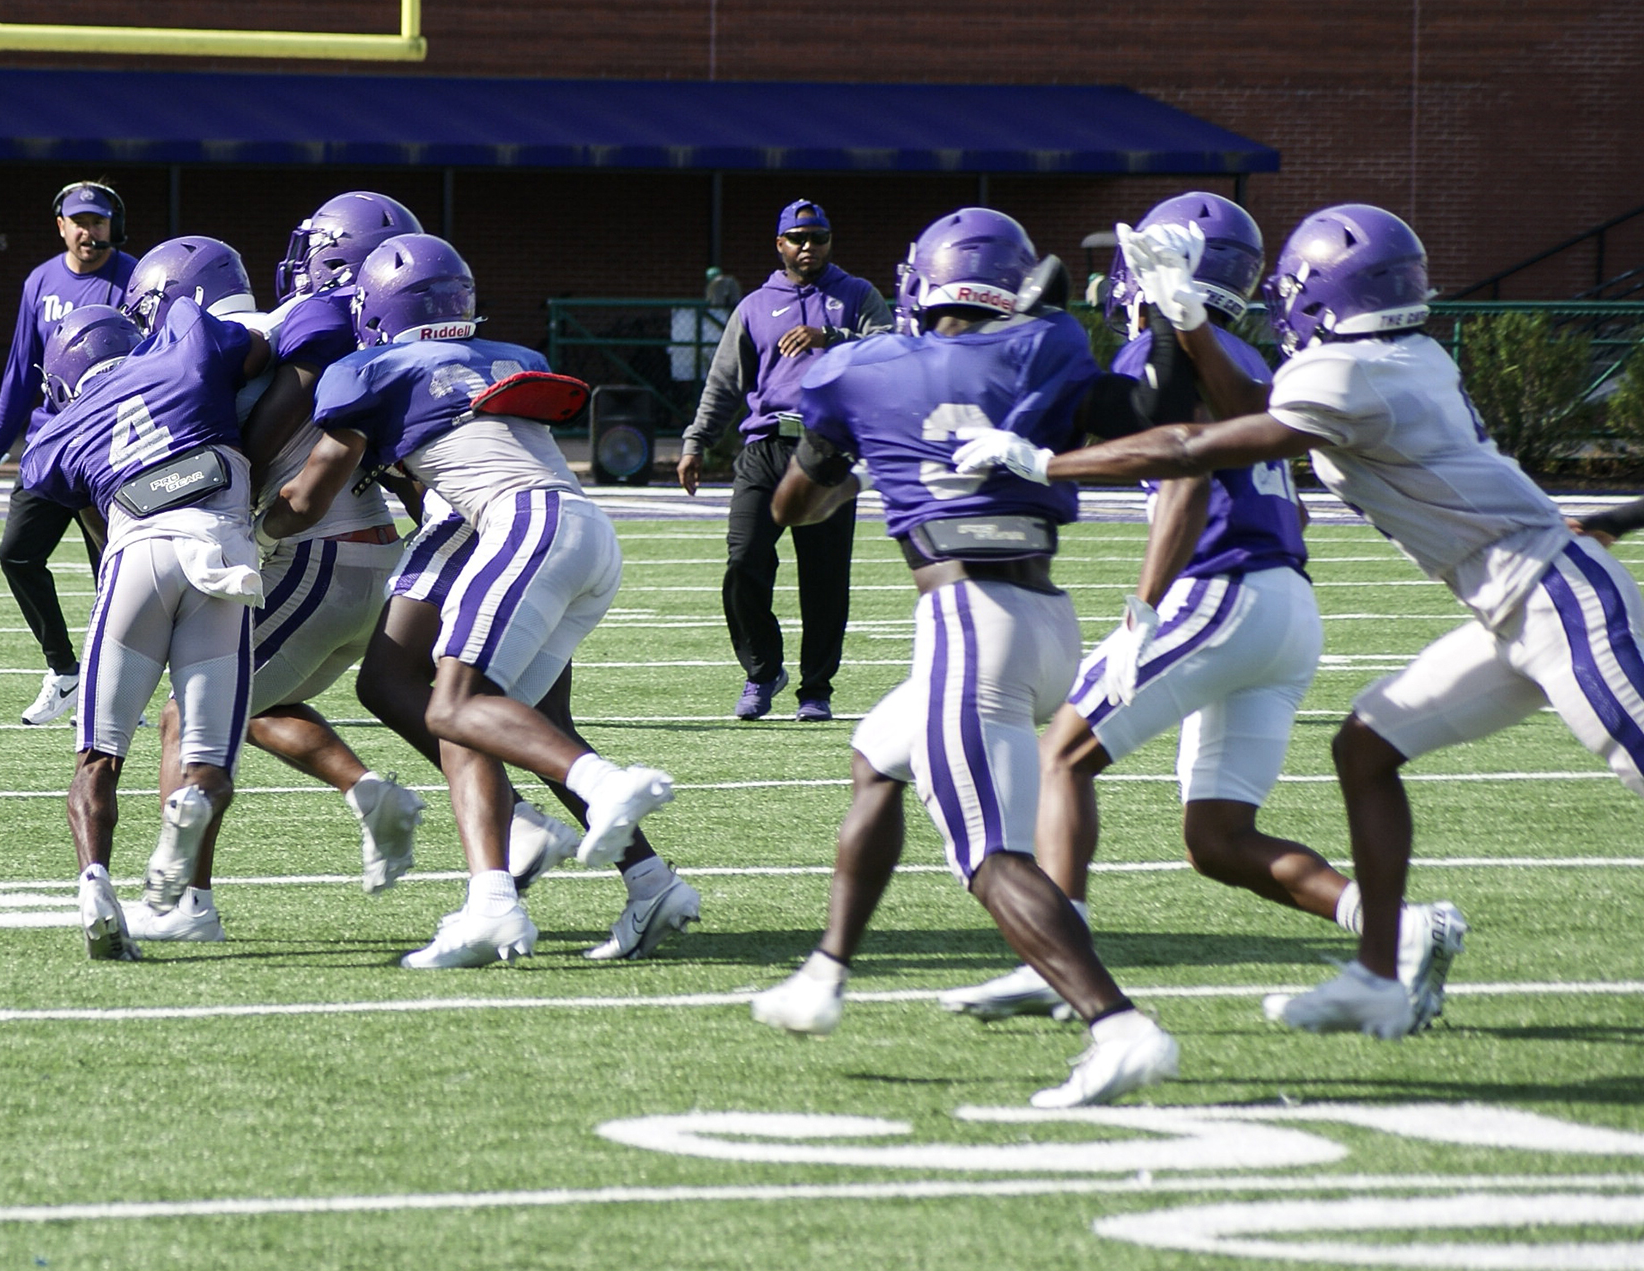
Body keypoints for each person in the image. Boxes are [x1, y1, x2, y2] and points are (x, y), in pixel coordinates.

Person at [963, 203, 1644, 1039]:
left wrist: (1047, 460)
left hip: (1553, 597)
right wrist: (1188, 319)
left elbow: (1194, 449)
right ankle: (1377, 974)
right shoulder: (1401, 353)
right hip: (1508, 601)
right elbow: (1255, 405)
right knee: (1364, 747)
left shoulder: (1347, 373)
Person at [751, 208, 1185, 1108]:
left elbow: (795, 505)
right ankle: (825, 973)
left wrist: (849, 463)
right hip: (1049, 620)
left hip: (965, 621)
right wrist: (1179, 320)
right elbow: (1154, 412)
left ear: (921, 283)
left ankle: (1118, 1025)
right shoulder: (1048, 349)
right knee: (877, 755)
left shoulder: (862, 367)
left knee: (991, 859)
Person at [289, 233, 680, 969]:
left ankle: (603, 789)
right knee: (491, 724)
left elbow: (312, 488)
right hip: (582, 527)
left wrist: (258, 529)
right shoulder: (507, 355)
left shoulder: (365, 369)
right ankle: (623, 886)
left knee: (453, 706)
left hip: (517, 524)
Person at [117, 212, 429, 943]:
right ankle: (374, 793)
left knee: (187, 713)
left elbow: (242, 450)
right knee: (246, 698)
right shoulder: (308, 329)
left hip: (321, 550)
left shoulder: (268, 335)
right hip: (351, 551)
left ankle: (185, 902)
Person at [19, 280, 270, 961]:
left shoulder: (58, 431)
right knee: (208, 762)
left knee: (97, 757)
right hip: (220, 554)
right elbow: (254, 347)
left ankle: (95, 883)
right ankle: (185, 815)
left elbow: (48, 473)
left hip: (134, 560)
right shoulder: (187, 337)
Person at [351, 486, 701, 961]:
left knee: (441, 700)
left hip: (480, 523)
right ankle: (649, 878)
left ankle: (501, 878)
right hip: (545, 524)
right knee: (530, 720)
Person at [678, 200, 892, 722]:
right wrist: (695, 440)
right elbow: (725, 383)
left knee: (823, 578)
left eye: (818, 237)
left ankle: (816, 689)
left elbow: (892, 351)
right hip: (766, 446)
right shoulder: (754, 305)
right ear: (780, 244)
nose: (808, 246)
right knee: (744, 561)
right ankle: (762, 671)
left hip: (827, 448)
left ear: (829, 241)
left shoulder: (858, 295)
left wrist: (833, 337)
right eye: (797, 237)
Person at [0, 182, 139, 726]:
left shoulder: (135, 279)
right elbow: (22, 372)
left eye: (99, 221)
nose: (90, 232)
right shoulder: (40, 281)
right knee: (17, 553)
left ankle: (116, 689)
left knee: (114, 574)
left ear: (113, 224)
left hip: (110, 448)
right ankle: (65, 673)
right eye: (79, 221)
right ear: (61, 225)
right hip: (49, 445)